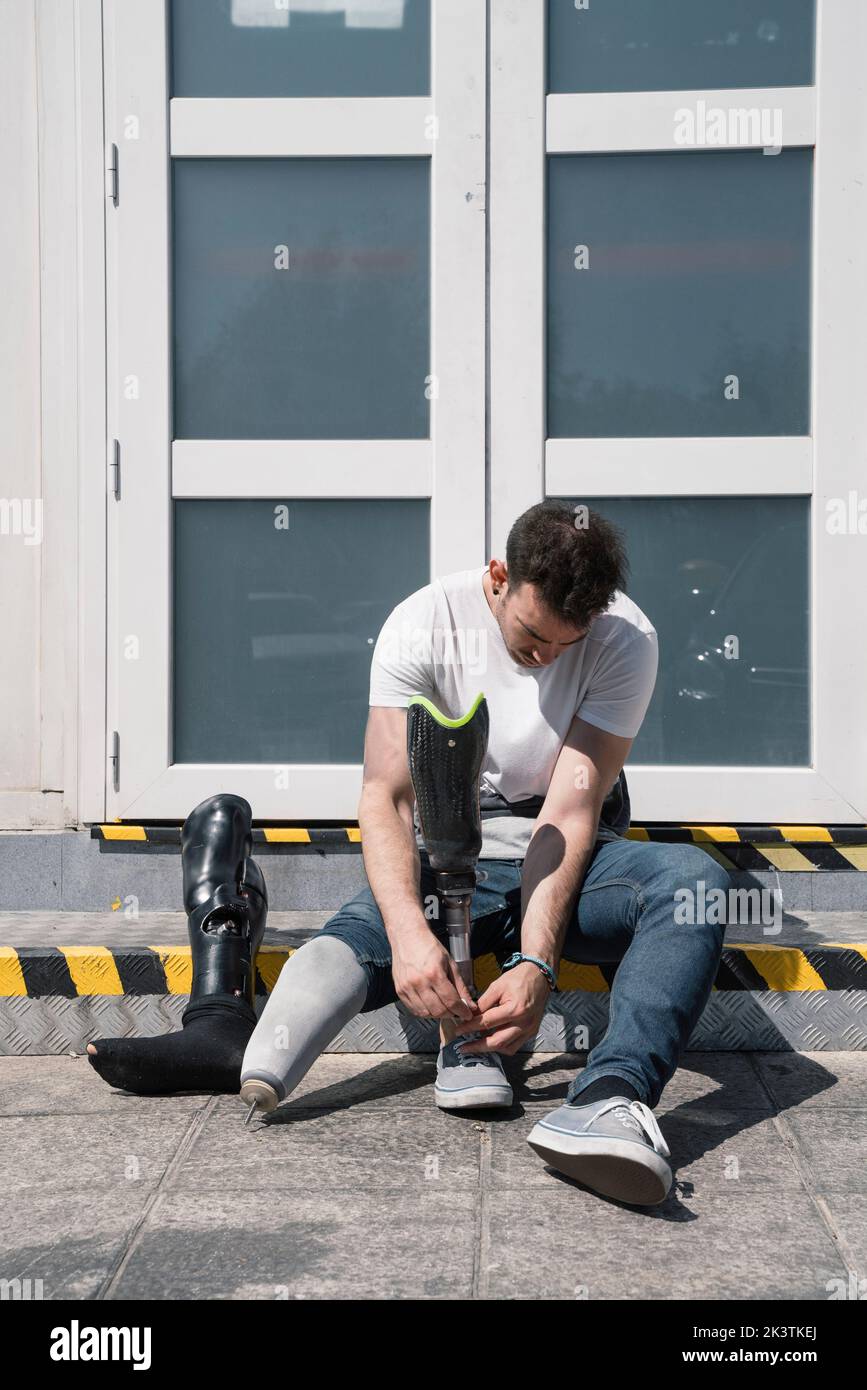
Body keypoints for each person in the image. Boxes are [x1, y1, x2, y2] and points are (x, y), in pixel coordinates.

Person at [239, 500, 730, 1206]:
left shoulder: (627, 638)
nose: (546, 659)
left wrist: (536, 963)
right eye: (533, 636)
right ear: (498, 576)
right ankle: (402, 1007)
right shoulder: (423, 622)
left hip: (563, 848)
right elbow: (386, 798)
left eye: (568, 644)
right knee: (369, 939)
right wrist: (410, 939)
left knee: (694, 883)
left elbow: (569, 809)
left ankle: (609, 1100)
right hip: (446, 840)